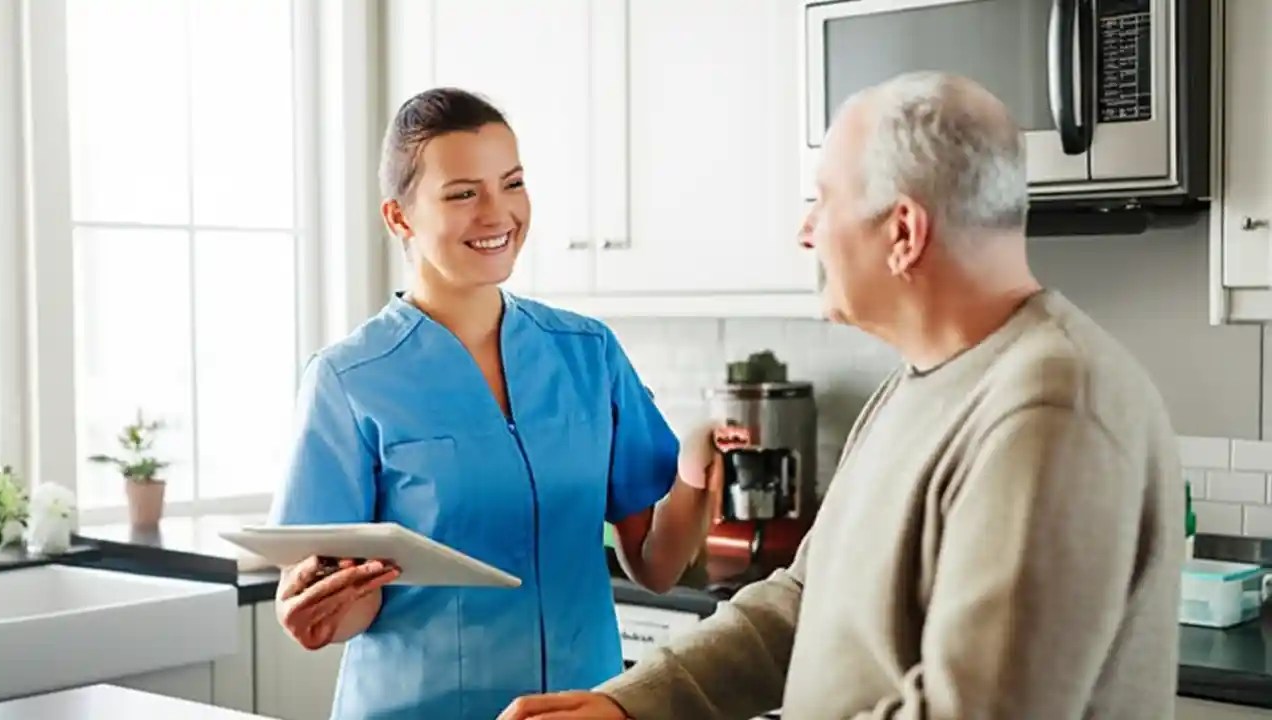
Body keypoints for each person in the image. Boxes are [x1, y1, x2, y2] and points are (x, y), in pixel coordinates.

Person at [499, 71, 1184, 720]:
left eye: (823, 200)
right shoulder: (918, 383)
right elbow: (802, 601)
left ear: (903, 233)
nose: (806, 231)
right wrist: (633, 703)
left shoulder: (1050, 409)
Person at [267, 87, 745, 720]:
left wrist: (692, 466)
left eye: (512, 183)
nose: (498, 213)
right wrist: (313, 611)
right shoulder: (349, 379)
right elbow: (350, 599)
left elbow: (655, 565)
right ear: (400, 218)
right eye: (464, 193)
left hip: (580, 709)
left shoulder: (587, 353)